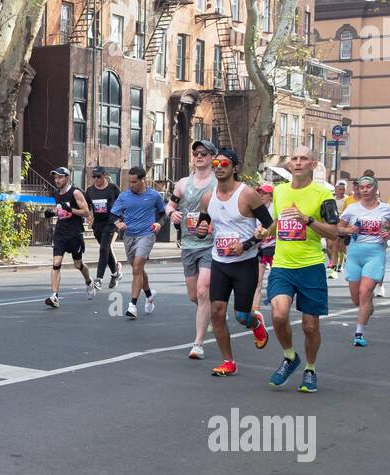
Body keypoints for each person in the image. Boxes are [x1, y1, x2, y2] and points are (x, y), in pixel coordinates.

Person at [266, 146, 337, 393]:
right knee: (278, 314)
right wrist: (265, 232)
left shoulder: (323, 195)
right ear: (289, 165)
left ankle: (310, 368)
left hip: (310, 266)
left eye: (303, 159)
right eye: (294, 158)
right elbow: (278, 219)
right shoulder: (279, 191)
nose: (297, 162)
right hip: (282, 264)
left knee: (310, 326)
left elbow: (334, 232)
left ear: (313, 164)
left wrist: (307, 220)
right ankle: (289, 356)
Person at [193, 148, 270, 375]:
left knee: (242, 316)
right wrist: (200, 230)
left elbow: (269, 225)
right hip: (219, 261)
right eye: (215, 163)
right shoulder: (207, 197)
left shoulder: (247, 195)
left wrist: (246, 245)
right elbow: (203, 226)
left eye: (224, 163)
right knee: (217, 310)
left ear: (234, 167)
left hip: (245, 262)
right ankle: (228, 361)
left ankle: (255, 322)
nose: (218, 166)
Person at [165, 139, 218, 359]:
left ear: (212, 158)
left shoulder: (218, 182)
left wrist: (213, 223)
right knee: (193, 295)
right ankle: (213, 312)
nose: (199, 157)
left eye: (204, 154)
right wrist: (171, 214)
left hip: (210, 244)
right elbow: (170, 204)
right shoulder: (183, 183)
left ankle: (198, 344)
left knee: (203, 290)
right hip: (188, 243)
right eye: (196, 153)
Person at [340, 176, 390, 346]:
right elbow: (339, 228)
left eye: (368, 187)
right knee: (356, 299)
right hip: (354, 254)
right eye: (362, 187)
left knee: (365, 292)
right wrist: (349, 229)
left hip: (375, 254)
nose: (365, 190)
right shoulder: (352, 208)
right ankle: (367, 306)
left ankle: (359, 333)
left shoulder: (385, 209)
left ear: (375, 189)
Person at [110, 166, 166, 318]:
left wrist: (159, 223)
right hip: (129, 236)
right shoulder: (124, 196)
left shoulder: (154, 196)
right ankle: (149, 296)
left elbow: (163, 214)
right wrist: (118, 223)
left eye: (134, 182)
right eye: (129, 181)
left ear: (143, 180)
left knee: (136, 267)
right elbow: (113, 215)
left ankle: (132, 305)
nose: (131, 184)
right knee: (138, 269)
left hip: (147, 235)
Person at [44, 166, 94, 307]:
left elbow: (85, 212)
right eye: (55, 177)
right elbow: (61, 212)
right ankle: (55, 296)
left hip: (74, 233)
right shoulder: (56, 194)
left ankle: (89, 282)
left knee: (77, 264)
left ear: (67, 177)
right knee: (56, 264)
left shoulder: (76, 193)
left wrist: (70, 209)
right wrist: (52, 213)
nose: (57, 180)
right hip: (60, 232)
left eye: (60, 177)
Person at [86, 167, 123, 290]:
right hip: (98, 224)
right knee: (105, 250)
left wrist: (121, 219)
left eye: (98, 176)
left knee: (103, 249)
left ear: (104, 175)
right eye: (94, 177)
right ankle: (115, 273)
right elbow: (86, 207)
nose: (96, 179)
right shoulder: (90, 190)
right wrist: (87, 217)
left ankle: (99, 279)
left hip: (111, 222)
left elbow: (123, 203)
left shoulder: (113, 188)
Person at [255, 184, 277, 306]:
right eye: (260, 193)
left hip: (275, 248)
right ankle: (255, 311)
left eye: (264, 193)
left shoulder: (275, 208)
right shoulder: (255, 209)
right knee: (257, 282)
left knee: (275, 280)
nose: (261, 195)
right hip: (260, 249)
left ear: (270, 196)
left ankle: (277, 306)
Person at [327, 180, 349, 278]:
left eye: (343, 189)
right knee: (330, 246)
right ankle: (333, 266)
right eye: (339, 189)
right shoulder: (331, 199)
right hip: (332, 225)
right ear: (335, 189)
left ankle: (339, 264)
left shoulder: (347, 199)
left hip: (343, 225)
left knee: (341, 246)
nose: (341, 191)